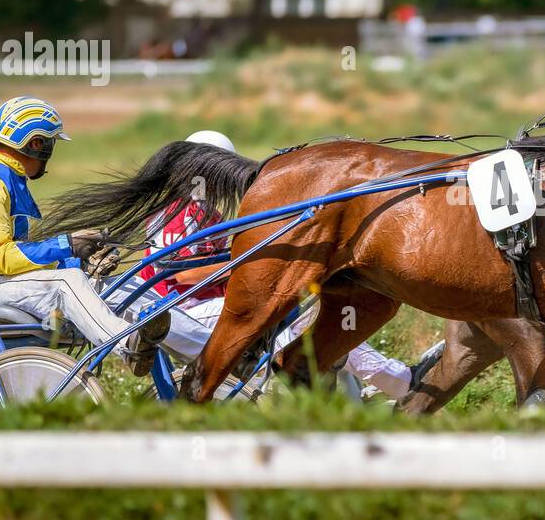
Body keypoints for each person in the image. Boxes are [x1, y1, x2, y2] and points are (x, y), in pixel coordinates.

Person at [137, 130, 442, 399]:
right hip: (186, 310)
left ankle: (370, 392)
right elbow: (185, 275)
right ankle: (403, 383)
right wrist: (250, 266)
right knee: (310, 322)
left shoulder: (196, 213)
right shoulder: (186, 215)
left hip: (201, 304)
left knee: (326, 320)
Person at [0, 97, 171, 373]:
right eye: (49, 142)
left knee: (104, 283)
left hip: (2, 282)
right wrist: (68, 245)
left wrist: (78, 257)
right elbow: (1, 256)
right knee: (67, 282)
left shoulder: (8, 178)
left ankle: (195, 351)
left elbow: (22, 258)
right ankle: (127, 344)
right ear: (35, 143)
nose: (51, 152)